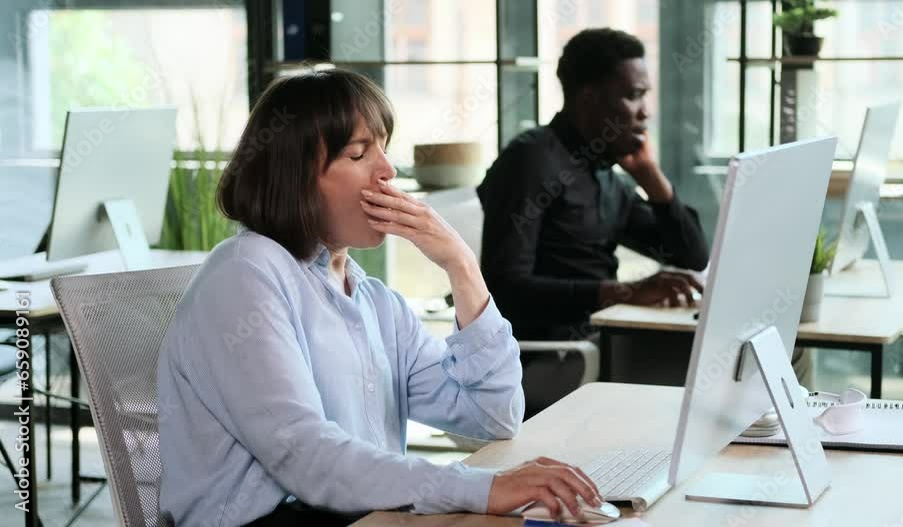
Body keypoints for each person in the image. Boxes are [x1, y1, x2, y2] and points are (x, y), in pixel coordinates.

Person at [157, 69, 602, 526]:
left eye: (384, 148)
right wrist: (484, 487)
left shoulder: (374, 302)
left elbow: (493, 416)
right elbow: (306, 457)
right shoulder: (245, 271)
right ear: (297, 176)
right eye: (358, 153)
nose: (387, 170)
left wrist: (462, 266)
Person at [477, 28, 710, 413]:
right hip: (556, 356)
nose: (645, 111)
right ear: (589, 98)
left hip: (603, 339)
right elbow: (506, 290)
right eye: (634, 95)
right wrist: (624, 292)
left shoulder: (603, 172)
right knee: (732, 369)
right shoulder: (531, 161)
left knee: (752, 356)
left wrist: (655, 182)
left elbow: (691, 255)